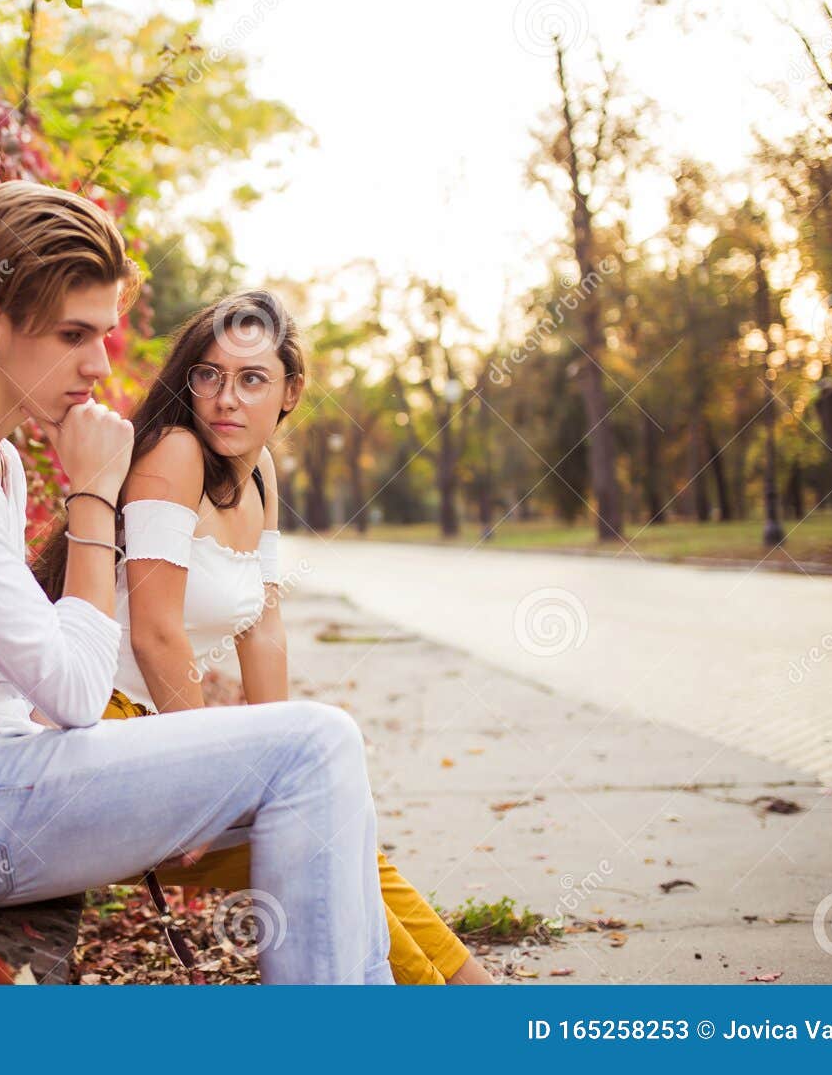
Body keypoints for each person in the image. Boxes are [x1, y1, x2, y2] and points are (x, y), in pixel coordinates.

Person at [0, 180, 392, 983]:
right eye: (74, 334)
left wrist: (165, 779)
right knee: (316, 742)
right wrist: (91, 494)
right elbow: (79, 690)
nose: (98, 366)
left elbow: (42, 692)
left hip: (0, 771)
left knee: (327, 764)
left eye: (106, 334)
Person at [35, 290, 492, 985]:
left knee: (334, 820)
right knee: (322, 840)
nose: (226, 398)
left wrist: (280, 754)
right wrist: (203, 777)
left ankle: (468, 996)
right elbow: (157, 635)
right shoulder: (175, 453)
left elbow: (264, 624)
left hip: (148, 731)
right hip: (97, 729)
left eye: (252, 379)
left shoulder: (259, 474)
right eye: (209, 375)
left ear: (290, 392)